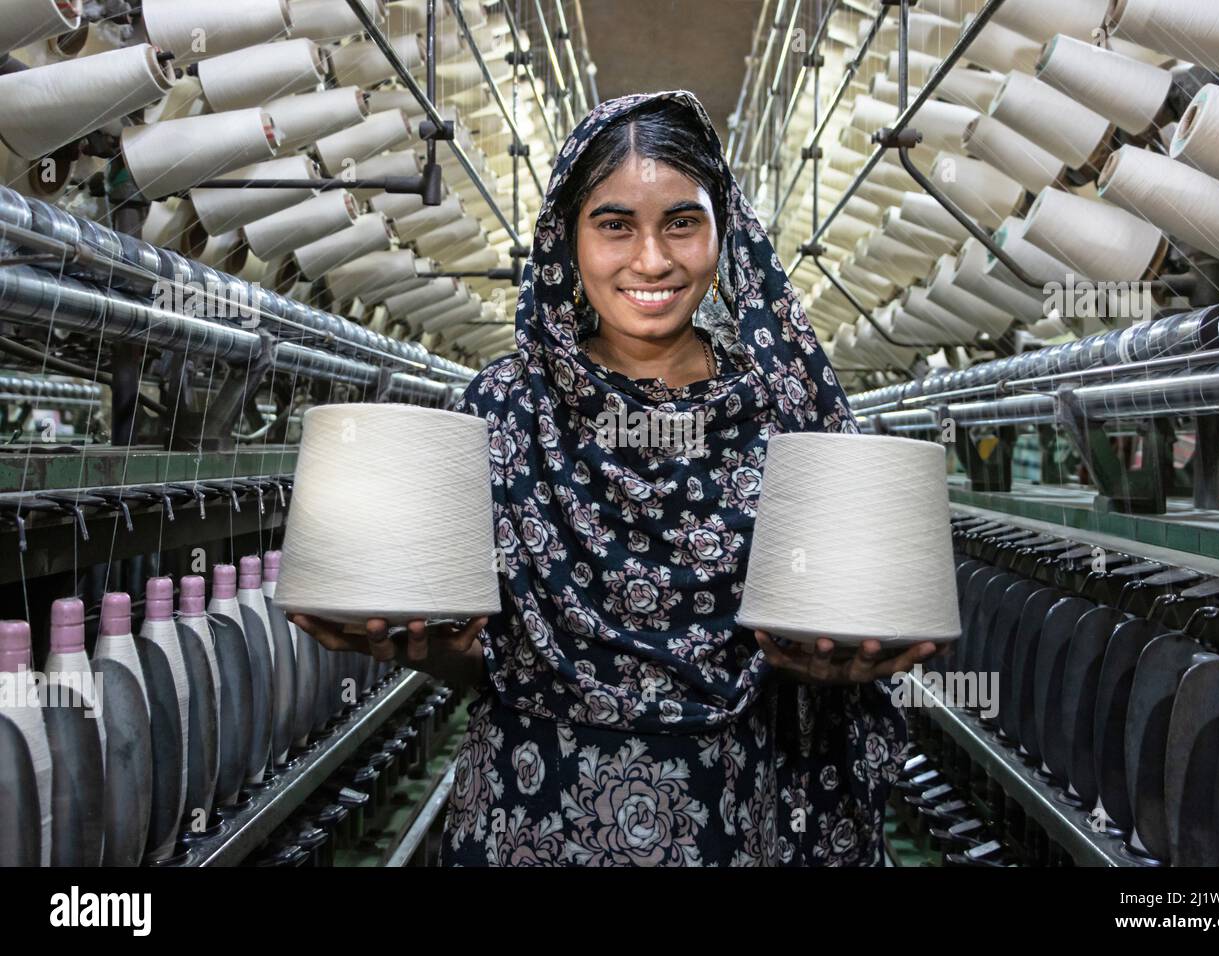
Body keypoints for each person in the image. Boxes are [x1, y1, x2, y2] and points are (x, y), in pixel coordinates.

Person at [295, 89, 941, 866]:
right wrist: (409, 642)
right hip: (532, 813)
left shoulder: (785, 412)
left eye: (681, 221)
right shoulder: (502, 412)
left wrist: (835, 670)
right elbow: (485, 661)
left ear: (722, 230)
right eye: (614, 225)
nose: (652, 260)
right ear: (567, 239)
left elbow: (846, 615)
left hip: (733, 816)